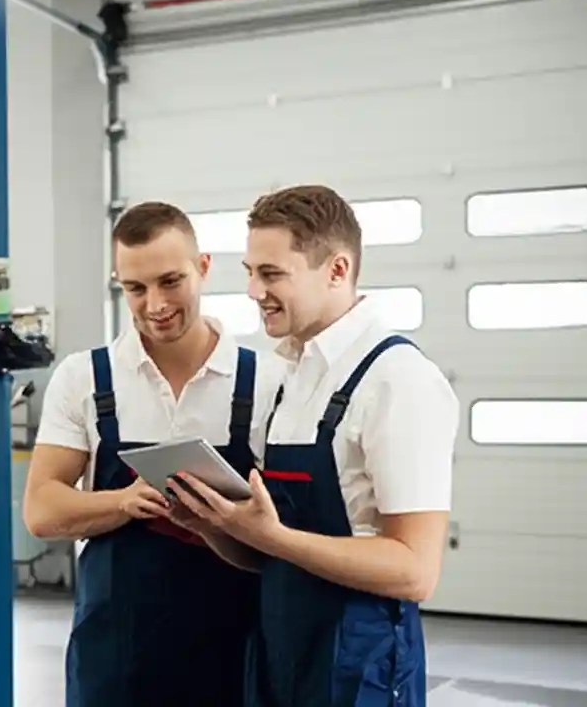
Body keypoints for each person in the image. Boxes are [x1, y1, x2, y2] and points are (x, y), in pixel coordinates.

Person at [165, 185, 459, 707]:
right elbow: (271, 555)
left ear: (337, 270)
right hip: (281, 652)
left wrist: (273, 539)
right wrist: (215, 527)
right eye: (250, 272)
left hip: (361, 668)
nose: (254, 291)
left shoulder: (398, 380)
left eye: (272, 274)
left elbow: (415, 570)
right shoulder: (286, 377)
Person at [23, 201, 286, 707]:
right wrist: (122, 501)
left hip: (234, 652)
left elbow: (289, 524)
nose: (155, 304)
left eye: (171, 282)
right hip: (116, 656)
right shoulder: (85, 378)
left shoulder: (268, 381)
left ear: (203, 267)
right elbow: (42, 510)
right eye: (135, 288)